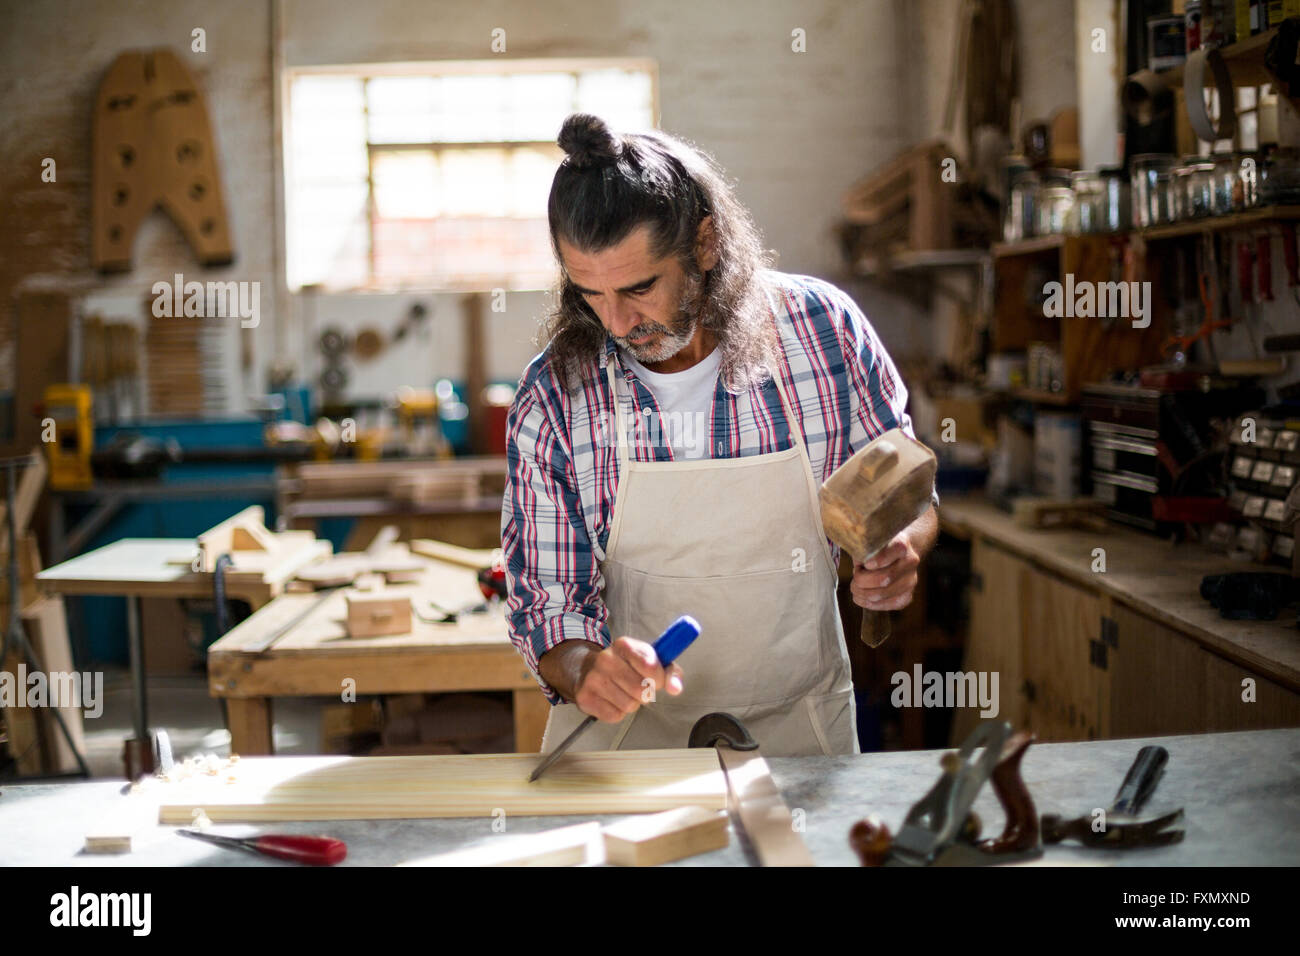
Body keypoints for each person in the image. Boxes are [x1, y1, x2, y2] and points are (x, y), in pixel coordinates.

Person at [501, 113, 938, 756]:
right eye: (590, 294)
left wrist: (901, 548)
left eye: (639, 287)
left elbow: (906, 492)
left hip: (799, 735)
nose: (618, 323)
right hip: (626, 746)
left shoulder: (821, 332)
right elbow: (545, 603)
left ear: (704, 244)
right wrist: (586, 670)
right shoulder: (555, 395)